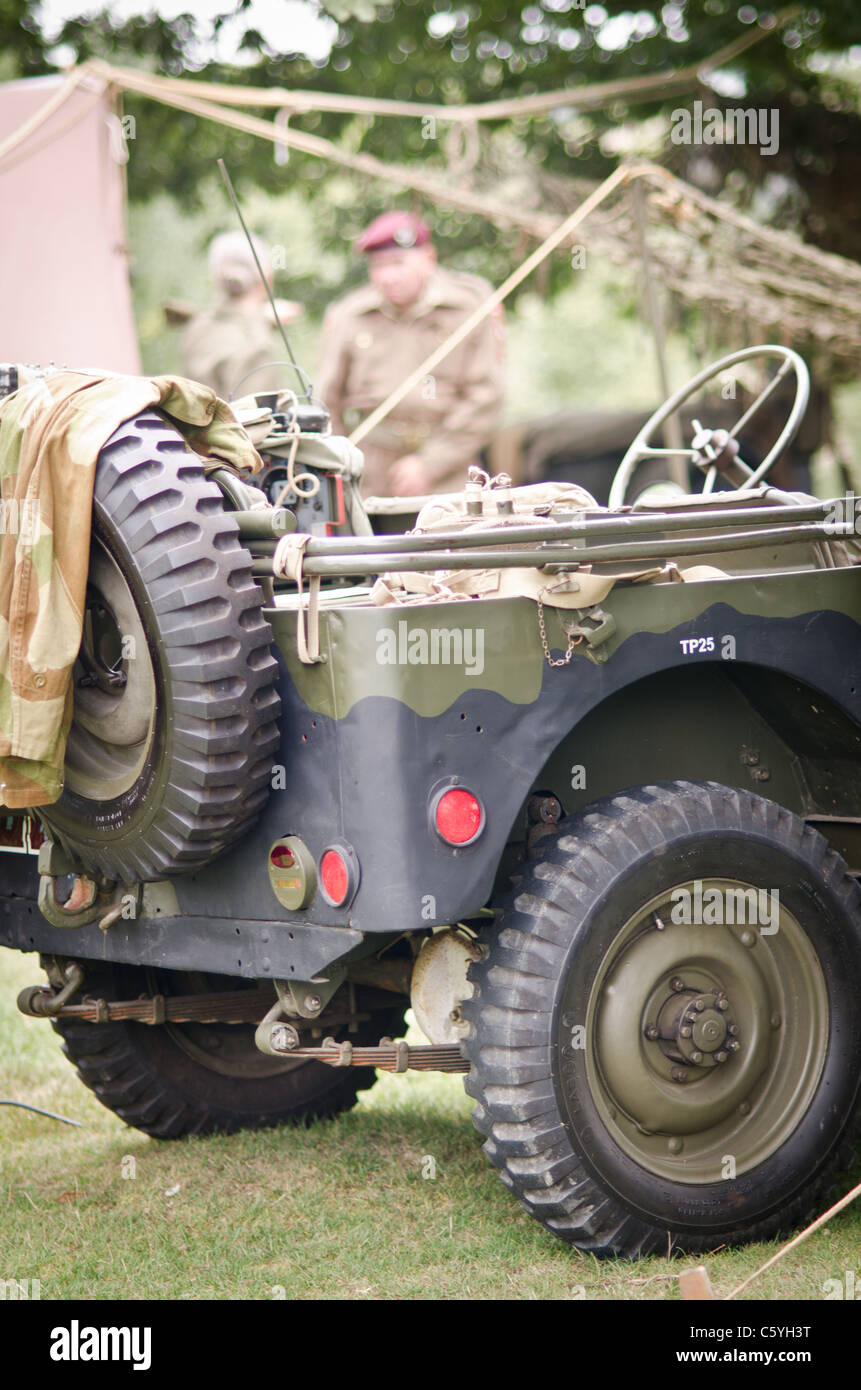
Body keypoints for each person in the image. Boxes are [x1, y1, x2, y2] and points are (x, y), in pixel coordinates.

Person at [315, 211, 504, 497]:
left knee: (448, 539)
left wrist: (430, 464)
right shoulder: (351, 315)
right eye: (378, 266)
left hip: (450, 470)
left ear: (428, 258)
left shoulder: (468, 307)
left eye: (398, 263)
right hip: (369, 472)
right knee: (368, 542)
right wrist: (344, 462)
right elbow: (327, 400)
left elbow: (485, 397)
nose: (389, 277)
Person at [180, 230, 303, 401]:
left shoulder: (197, 327)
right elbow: (254, 421)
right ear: (266, 279)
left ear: (216, 278)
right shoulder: (256, 342)